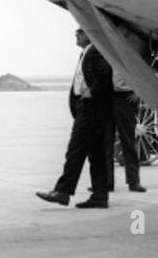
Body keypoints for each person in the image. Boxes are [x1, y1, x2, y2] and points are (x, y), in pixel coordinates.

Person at [36, 28, 114, 209]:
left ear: (90, 34)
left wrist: (92, 92)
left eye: (80, 32)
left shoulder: (95, 51)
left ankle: (63, 192)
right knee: (96, 155)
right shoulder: (86, 53)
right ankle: (100, 196)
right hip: (89, 110)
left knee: (75, 151)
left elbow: (105, 74)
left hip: (91, 110)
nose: (76, 35)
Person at [105, 65, 146, 193]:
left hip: (125, 97)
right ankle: (106, 182)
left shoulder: (129, 49)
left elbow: (145, 69)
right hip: (106, 97)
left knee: (128, 142)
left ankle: (134, 181)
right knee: (106, 143)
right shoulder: (103, 50)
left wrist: (139, 91)